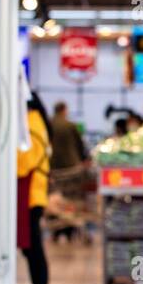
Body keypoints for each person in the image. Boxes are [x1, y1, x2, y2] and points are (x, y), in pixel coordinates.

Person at [16, 88, 53, 284]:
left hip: (32, 195)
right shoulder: (35, 122)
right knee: (32, 250)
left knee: (34, 250)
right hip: (34, 194)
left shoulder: (31, 123)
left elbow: (24, 162)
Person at [49, 101, 89, 242]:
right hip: (71, 168)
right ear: (64, 110)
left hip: (53, 168)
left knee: (55, 199)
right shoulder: (70, 126)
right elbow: (80, 146)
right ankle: (71, 229)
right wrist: (85, 159)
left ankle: (56, 231)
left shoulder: (48, 124)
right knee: (72, 198)